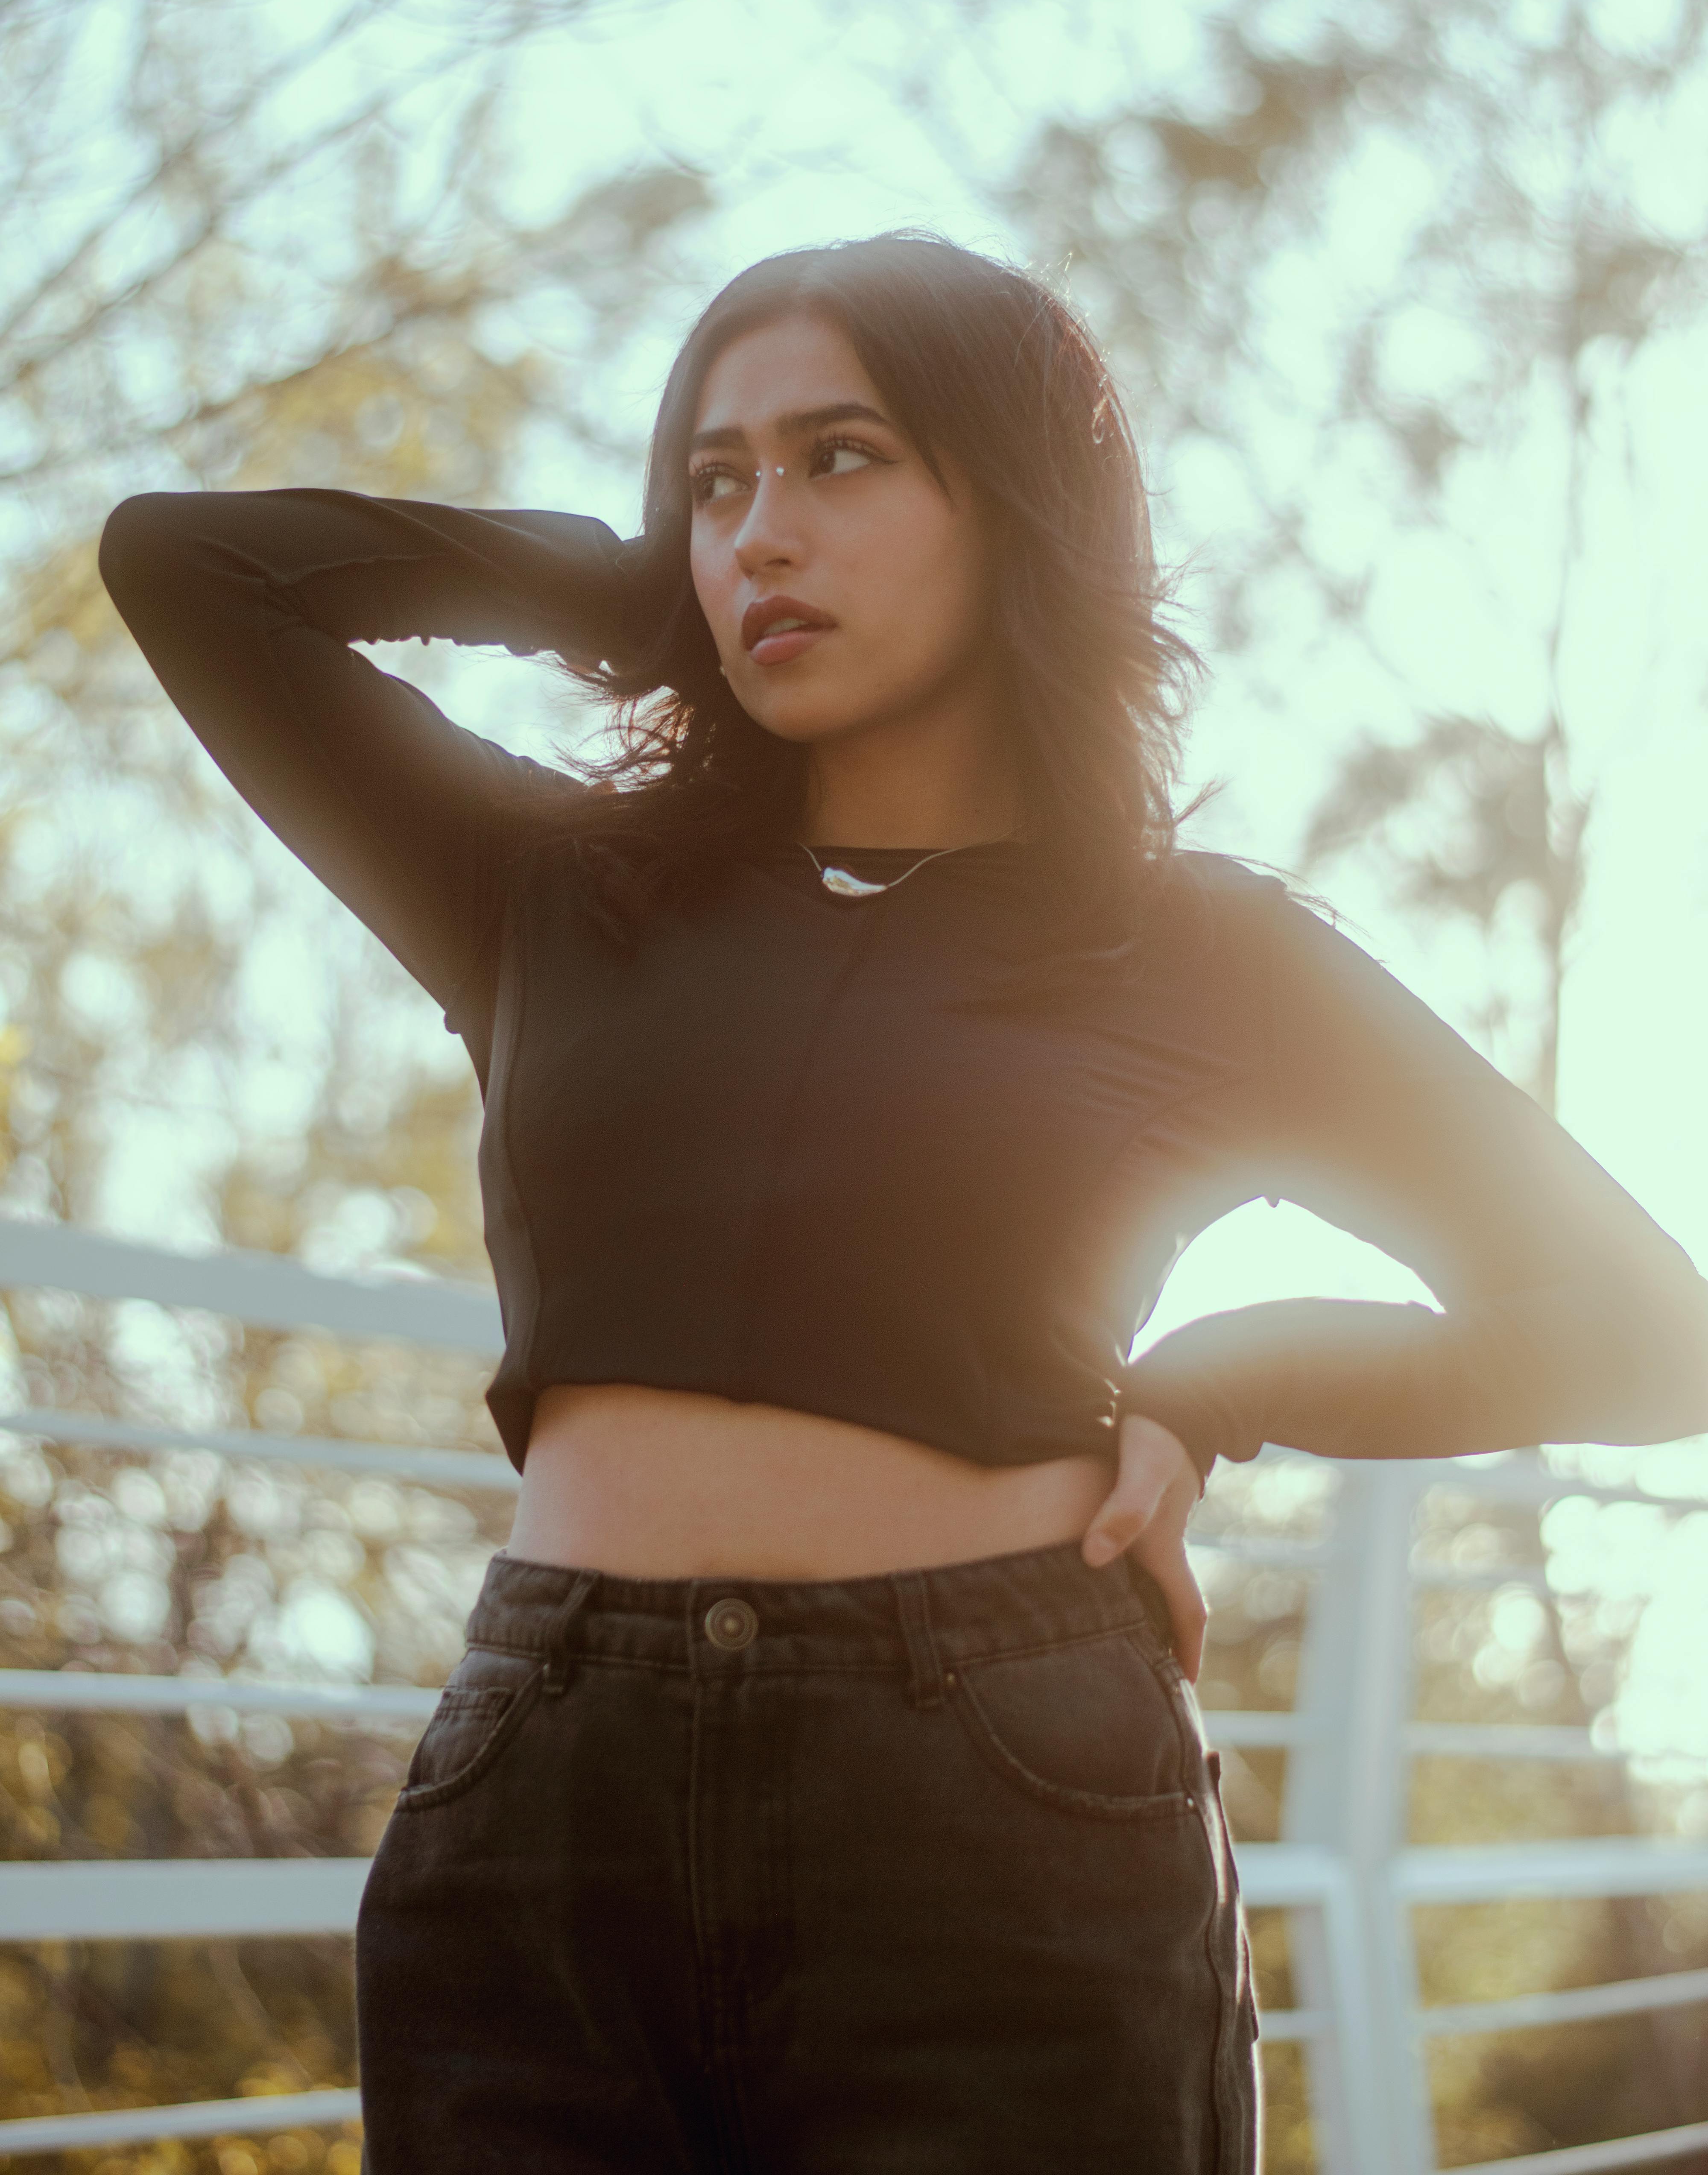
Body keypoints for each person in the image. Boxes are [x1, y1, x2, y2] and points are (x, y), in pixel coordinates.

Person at [99, 231, 1708, 2174]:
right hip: (547, 1804)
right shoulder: (544, 889)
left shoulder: (1196, 951)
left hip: (1001, 1791)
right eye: (717, 478)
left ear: (1016, 506)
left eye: (841, 459)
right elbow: (187, 564)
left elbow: (1645, 1329)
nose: (761, 530)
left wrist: (1221, 1383)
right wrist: (632, 593)